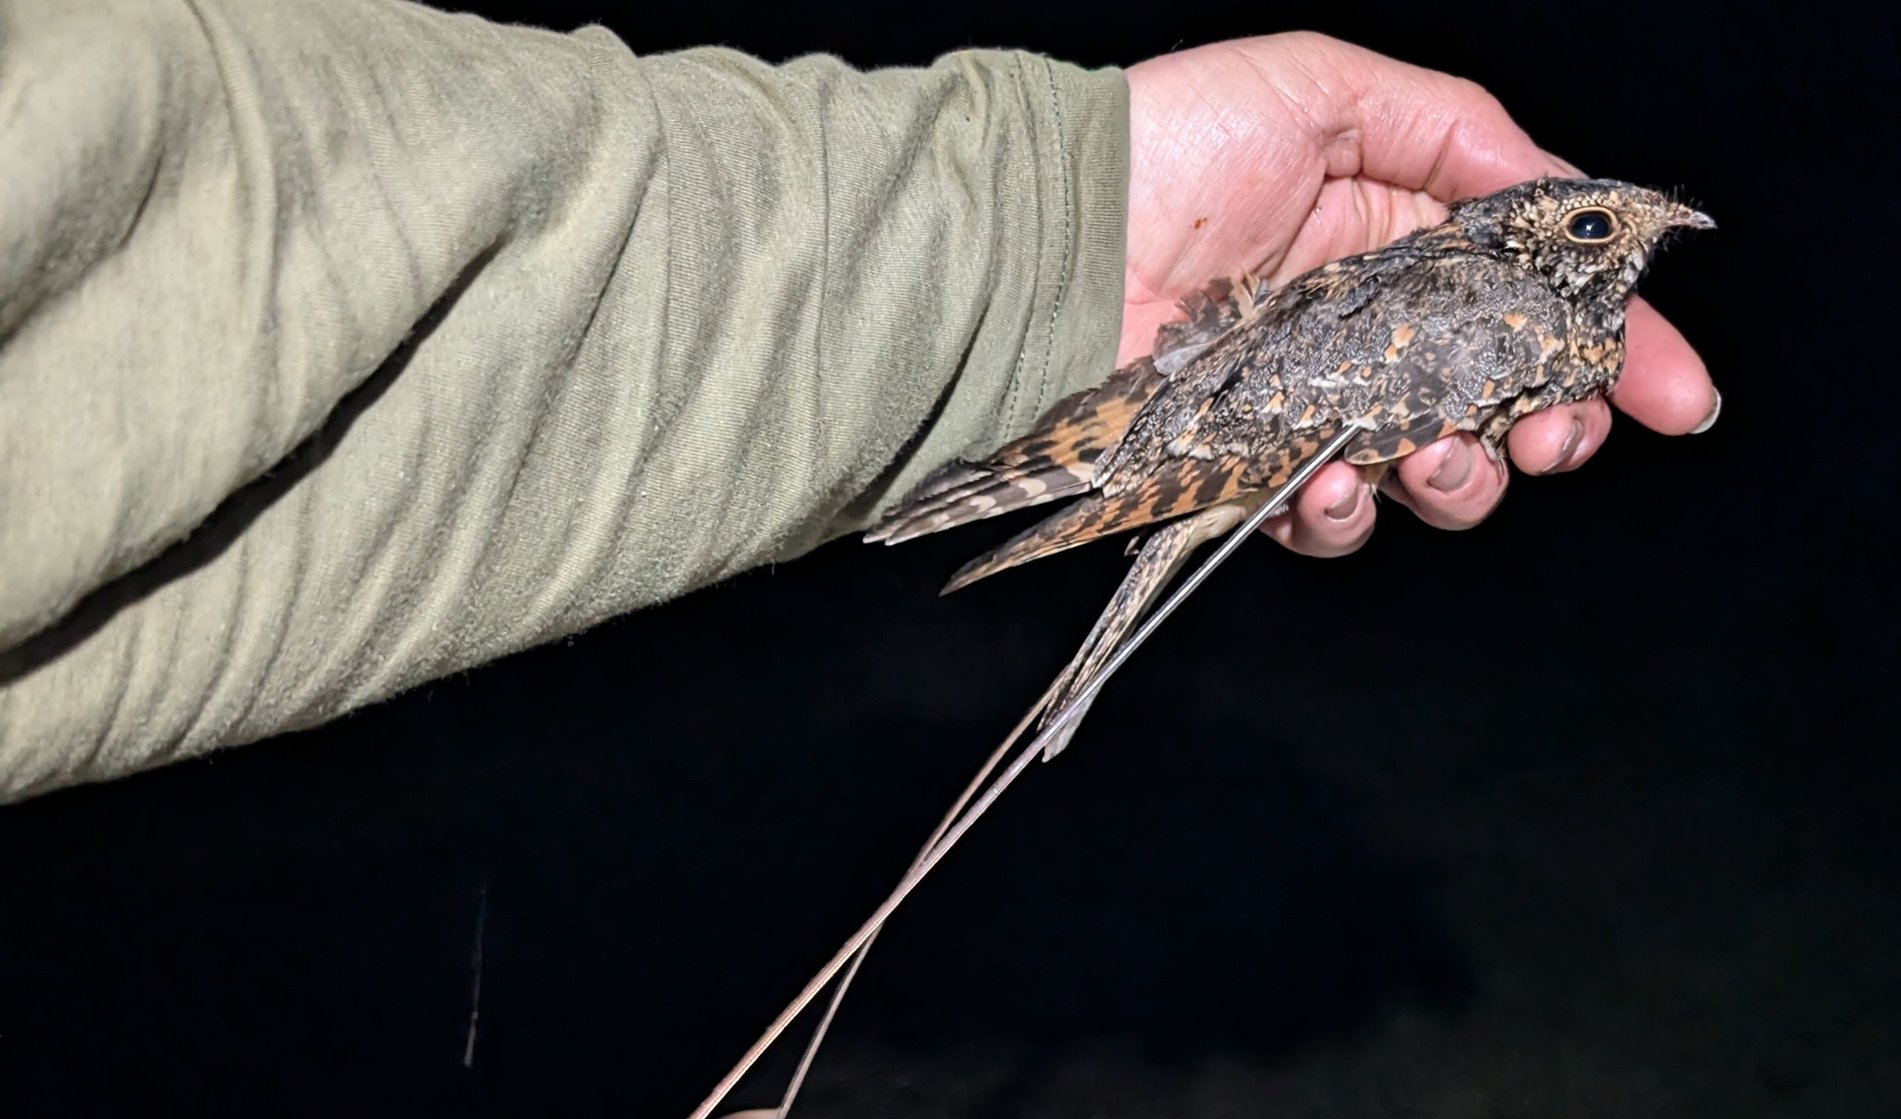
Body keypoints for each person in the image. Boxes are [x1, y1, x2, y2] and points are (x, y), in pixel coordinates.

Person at [0, 3, 1714, 803]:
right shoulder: (1489, 303)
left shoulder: (1518, 313)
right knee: (1116, 603)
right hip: (1217, 405)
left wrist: (1039, 229)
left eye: (1612, 233)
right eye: (1589, 221)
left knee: (1126, 607)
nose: (1613, 244)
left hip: (1210, 386)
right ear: (1520, 231)